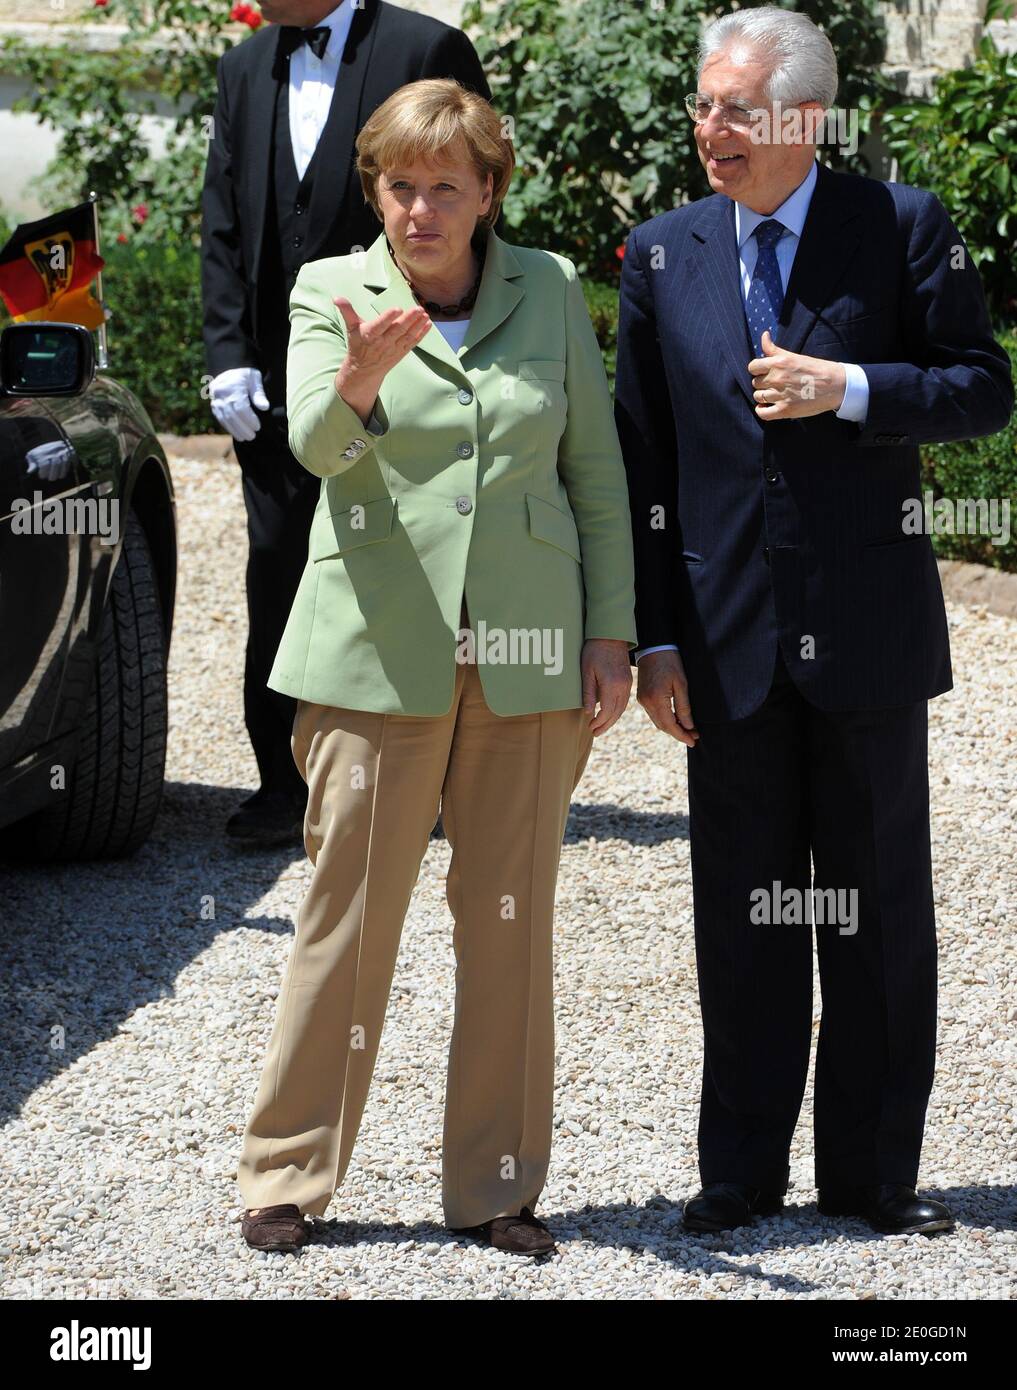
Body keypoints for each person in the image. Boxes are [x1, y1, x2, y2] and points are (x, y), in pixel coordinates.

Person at [614, 6, 1013, 1237]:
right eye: (701, 104)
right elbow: (641, 461)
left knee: (877, 908)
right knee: (744, 910)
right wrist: (656, 639)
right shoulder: (661, 253)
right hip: (723, 642)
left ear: (804, 117)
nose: (708, 129)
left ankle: (875, 1177)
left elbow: (980, 389)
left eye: (733, 108)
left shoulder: (898, 226)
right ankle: (739, 1167)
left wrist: (848, 390)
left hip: (869, 635)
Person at [236, 77, 637, 1256]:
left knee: (509, 927)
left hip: (528, 662)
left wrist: (609, 632)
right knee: (344, 923)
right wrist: (360, 376)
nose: (418, 210)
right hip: (374, 659)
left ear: (488, 193)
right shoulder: (330, 289)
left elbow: (596, 476)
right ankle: (285, 1176)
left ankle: (500, 1185)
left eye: (443, 188)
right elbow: (314, 442)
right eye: (399, 186)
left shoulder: (553, 289)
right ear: (376, 190)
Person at [200, 0, 492, 845]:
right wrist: (227, 352)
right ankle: (282, 784)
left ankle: (425, 779)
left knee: (406, 567)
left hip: (401, 365)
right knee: (279, 567)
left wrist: (448, 342)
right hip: (272, 382)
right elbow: (222, 221)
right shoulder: (244, 65)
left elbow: (469, 204)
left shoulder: (426, 46)